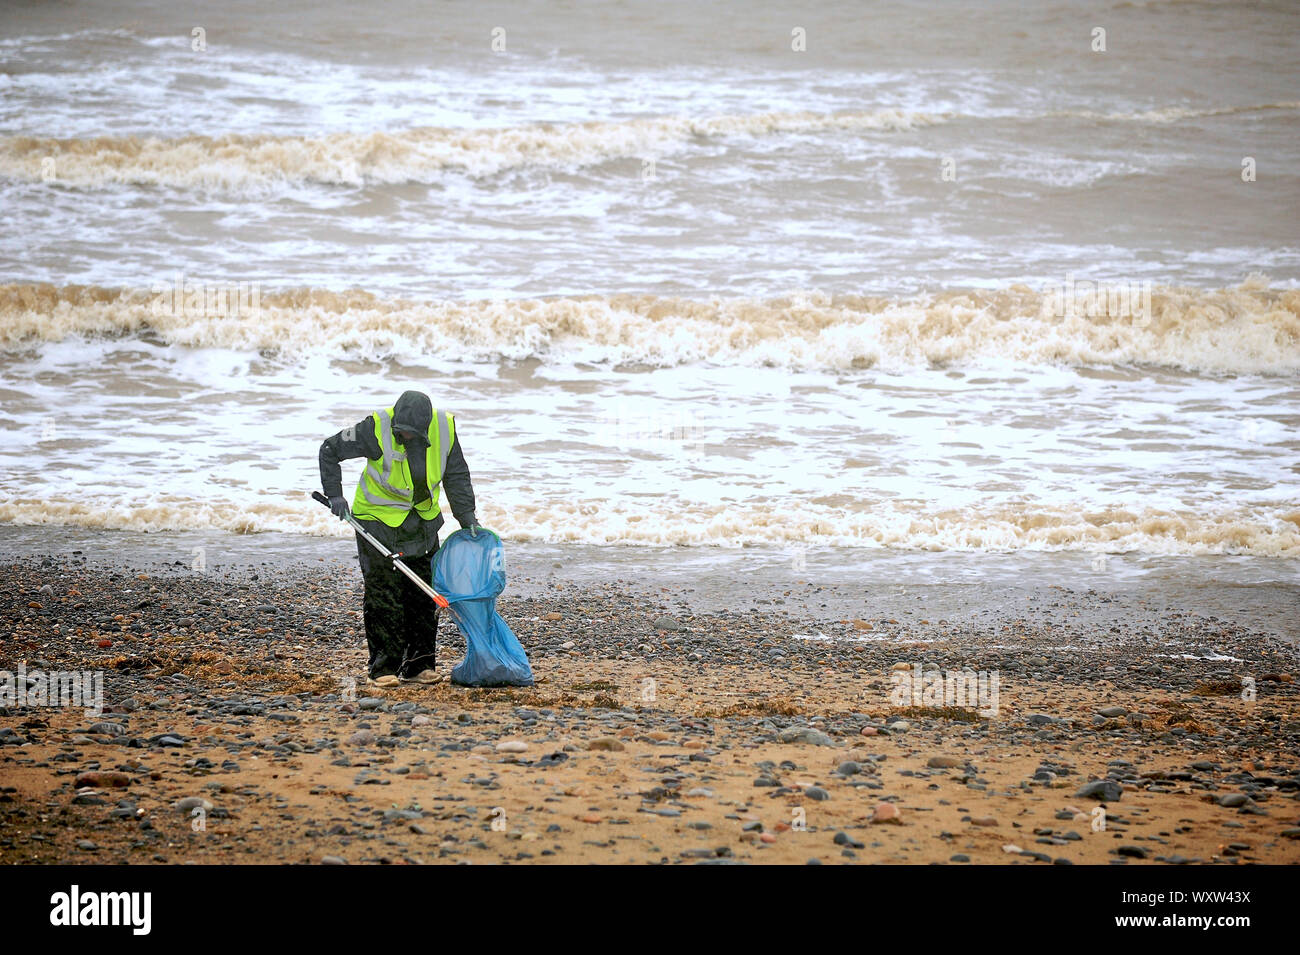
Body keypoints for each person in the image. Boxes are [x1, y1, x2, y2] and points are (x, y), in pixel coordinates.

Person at [319, 390, 480, 687]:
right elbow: (330, 450)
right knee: (384, 596)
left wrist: (467, 516)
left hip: (422, 522)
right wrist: (335, 495)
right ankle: (383, 669)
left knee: (423, 594)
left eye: (409, 432)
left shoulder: (444, 429)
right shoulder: (375, 427)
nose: (403, 435)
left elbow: (456, 474)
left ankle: (419, 665)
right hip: (377, 521)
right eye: (400, 431)